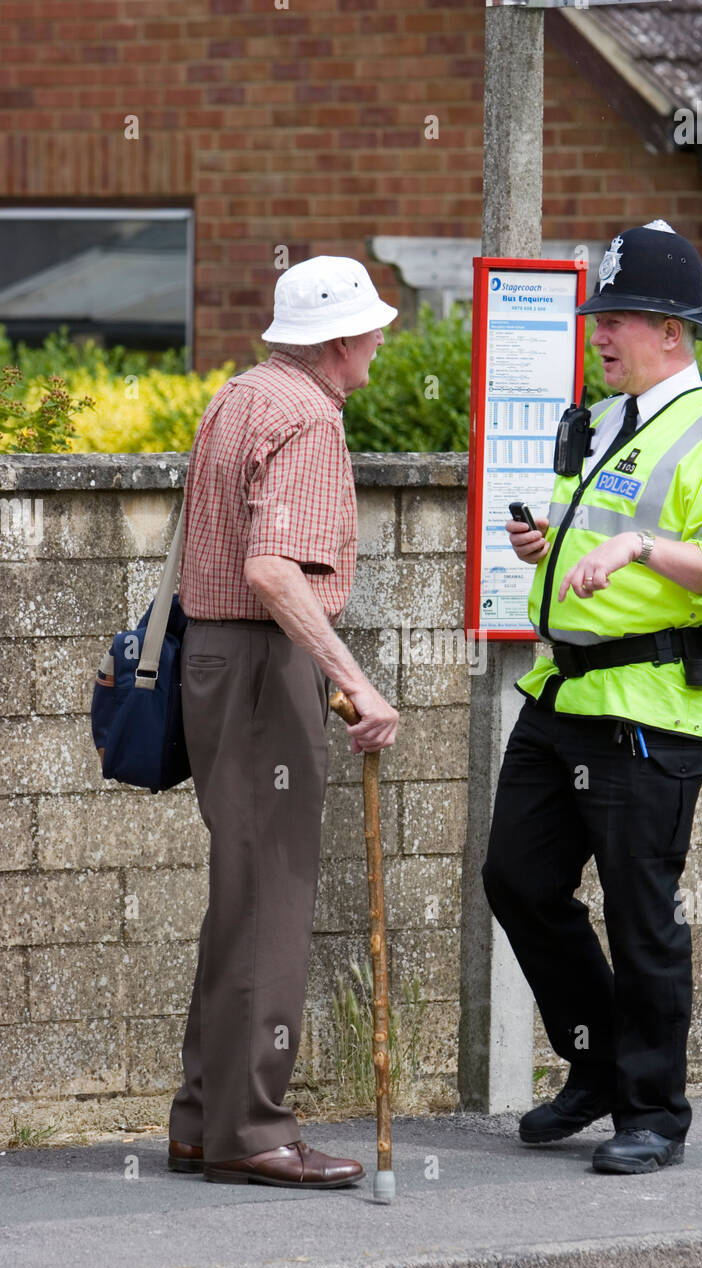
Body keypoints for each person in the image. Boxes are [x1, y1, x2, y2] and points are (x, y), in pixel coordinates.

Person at [482, 221, 702, 1175]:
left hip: (652, 704)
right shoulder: (604, 420)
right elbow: (594, 534)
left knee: (641, 909)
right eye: (596, 317)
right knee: (517, 879)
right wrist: (554, 551)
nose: (600, 334)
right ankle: (597, 1063)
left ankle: (652, 1112)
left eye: (619, 319)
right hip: (562, 689)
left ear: (674, 332)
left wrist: (640, 548)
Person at [167, 256, 400, 1188]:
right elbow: (273, 572)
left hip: (218, 661)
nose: (382, 341)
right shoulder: (307, 419)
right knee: (272, 902)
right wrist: (354, 679)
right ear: (339, 340)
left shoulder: (240, 395)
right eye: (373, 328)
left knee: (242, 899)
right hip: (264, 667)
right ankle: (254, 1132)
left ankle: (203, 1122)